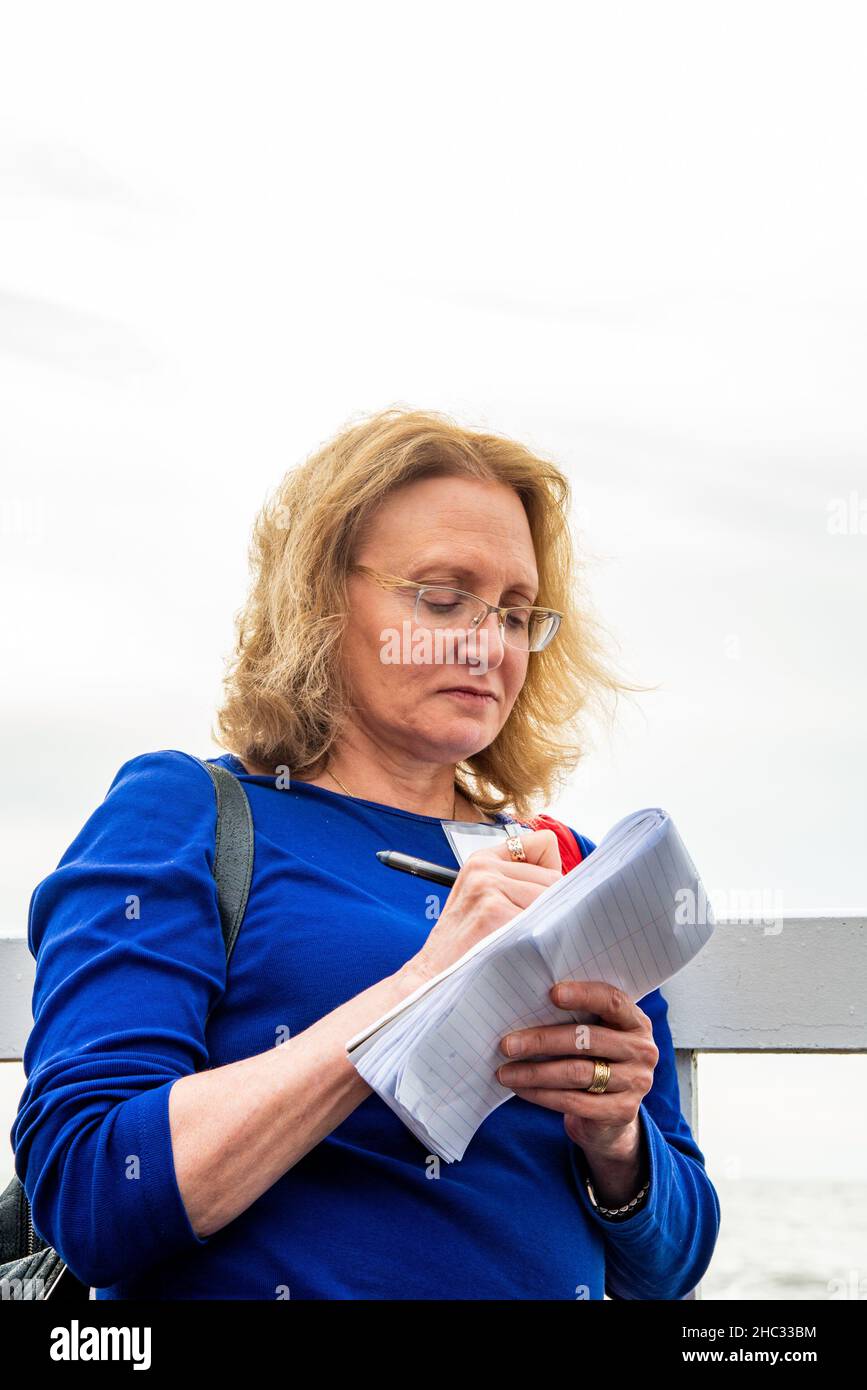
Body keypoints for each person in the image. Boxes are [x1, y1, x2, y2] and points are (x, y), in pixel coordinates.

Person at [12, 406, 720, 1299]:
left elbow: (667, 1269)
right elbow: (90, 1192)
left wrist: (617, 1141)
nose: (486, 644)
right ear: (318, 600)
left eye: (513, 612)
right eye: (441, 596)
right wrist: (416, 992)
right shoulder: (188, 812)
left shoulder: (563, 861)